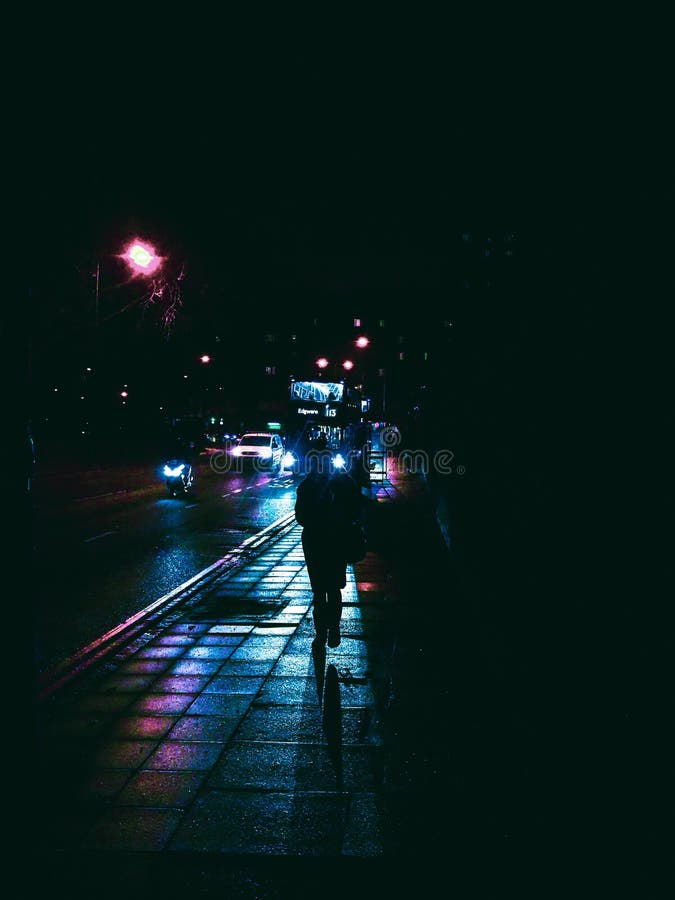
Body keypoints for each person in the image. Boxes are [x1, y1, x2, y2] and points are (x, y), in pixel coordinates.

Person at [295, 436, 363, 649]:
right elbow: (356, 509)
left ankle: (326, 631)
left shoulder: (310, 486)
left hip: (322, 540)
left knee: (325, 589)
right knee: (328, 589)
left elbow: (301, 517)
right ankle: (328, 630)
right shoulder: (339, 483)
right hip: (329, 540)